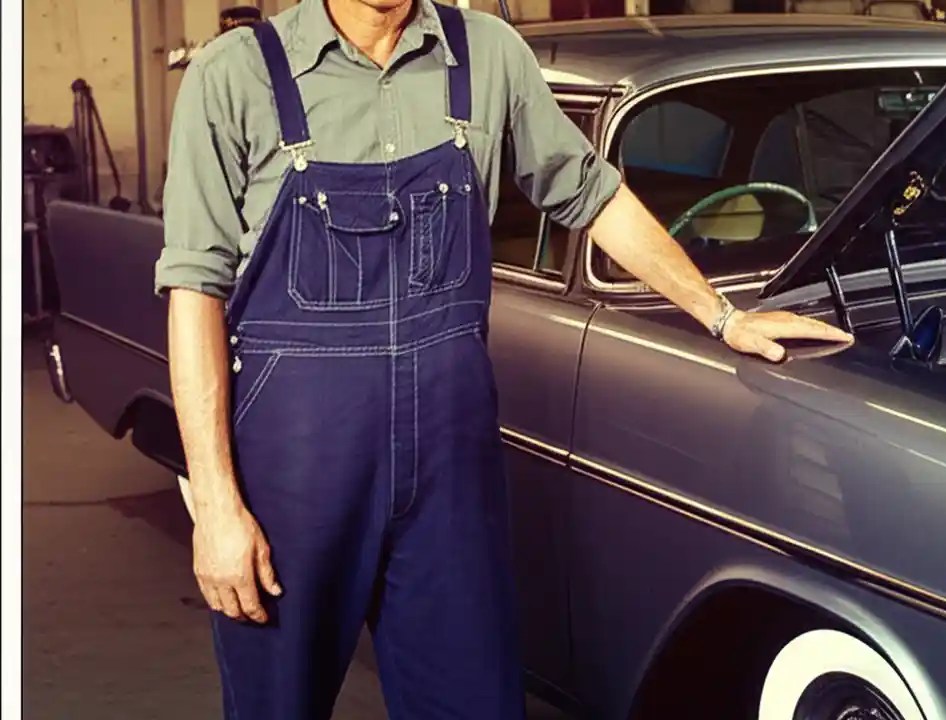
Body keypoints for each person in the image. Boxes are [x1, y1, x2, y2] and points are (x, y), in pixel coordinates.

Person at [156, 1, 852, 718]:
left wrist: (721, 314)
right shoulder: (235, 73)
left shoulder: (486, 55)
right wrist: (215, 507)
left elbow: (591, 193)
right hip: (295, 477)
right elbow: (193, 290)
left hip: (449, 475)